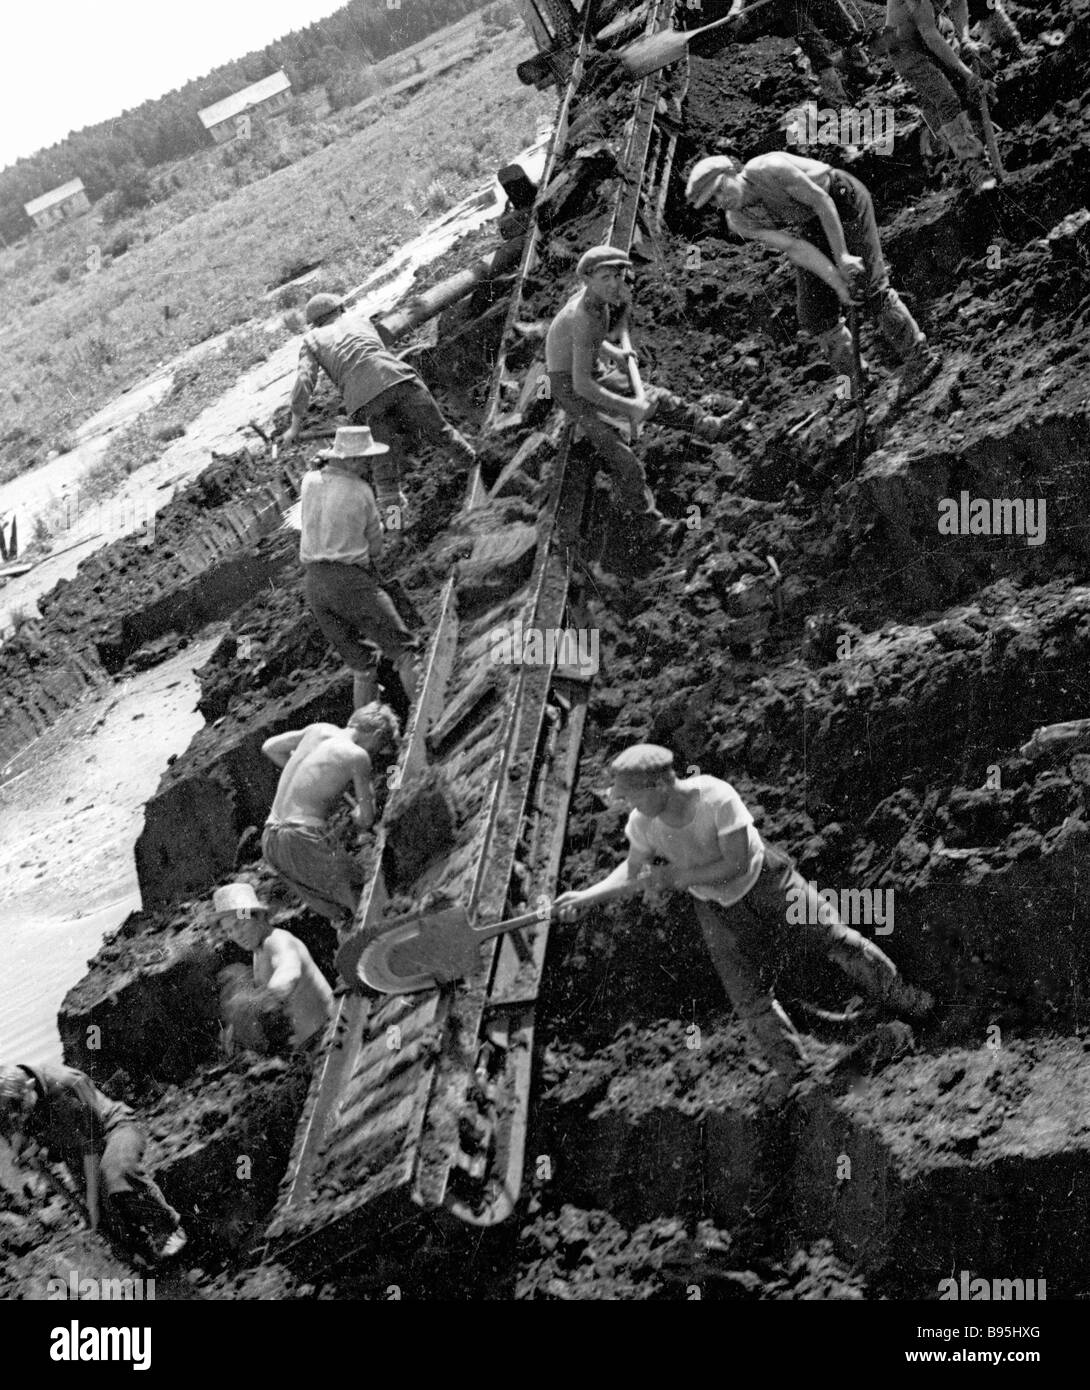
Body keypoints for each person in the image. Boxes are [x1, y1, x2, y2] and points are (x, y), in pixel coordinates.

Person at [554, 745, 932, 1094]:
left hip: (766, 881)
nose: (625, 803)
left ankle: (906, 1000)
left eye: (630, 793)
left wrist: (680, 878)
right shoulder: (642, 823)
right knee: (748, 995)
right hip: (717, 908)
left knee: (834, 938)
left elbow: (734, 862)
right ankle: (792, 1072)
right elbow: (632, 869)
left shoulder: (716, 798)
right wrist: (587, 897)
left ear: (659, 785)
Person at [685, 152, 938, 396]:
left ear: (731, 172)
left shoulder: (768, 169)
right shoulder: (739, 221)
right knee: (814, 316)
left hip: (841, 200)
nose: (721, 200)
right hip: (812, 224)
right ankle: (855, 382)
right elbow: (795, 247)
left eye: (720, 189)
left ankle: (920, 358)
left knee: (869, 289)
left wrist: (843, 257)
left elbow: (822, 201)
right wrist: (838, 283)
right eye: (713, 201)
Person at [544, 245, 742, 537]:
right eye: (605, 277)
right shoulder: (583, 315)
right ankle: (649, 524)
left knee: (657, 398)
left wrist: (616, 354)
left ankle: (711, 427)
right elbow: (582, 385)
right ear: (587, 280)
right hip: (569, 387)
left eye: (618, 275)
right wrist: (629, 409)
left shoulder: (600, 300)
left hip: (590, 367)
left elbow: (590, 342)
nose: (614, 283)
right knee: (622, 457)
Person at [283, 292, 476, 518]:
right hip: (399, 380)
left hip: (364, 405)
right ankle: (478, 468)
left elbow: (304, 381)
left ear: (314, 323)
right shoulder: (362, 321)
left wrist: (295, 427)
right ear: (341, 309)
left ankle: (395, 525)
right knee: (442, 433)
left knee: (384, 473)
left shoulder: (312, 340)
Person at [0, 1063, 186, 1262]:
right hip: (72, 1148)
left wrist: (92, 1203)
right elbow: (18, 1138)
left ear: (29, 1085)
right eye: (10, 1112)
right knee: (105, 1222)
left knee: (115, 1177)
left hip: (112, 1128)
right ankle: (147, 1259)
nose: (19, 1116)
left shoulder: (66, 1083)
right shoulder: (10, 1102)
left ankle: (167, 1228)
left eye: (20, 1108)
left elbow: (92, 1148)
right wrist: (24, 1149)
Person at [300, 425, 422, 710]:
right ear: (354, 460)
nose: (369, 464)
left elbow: (319, 470)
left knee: (362, 667)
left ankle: (364, 733)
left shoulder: (309, 481)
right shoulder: (361, 490)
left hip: (314, 585)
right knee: (404, 652)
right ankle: (428, 722)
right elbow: (376, 548)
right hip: (350, 582)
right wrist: (390, 524)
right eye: (365, 459)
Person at [261, 702, 400, 937]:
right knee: (364, 897)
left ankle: (358, 960)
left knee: (339, 912)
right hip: (300, 838)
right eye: (381, 745)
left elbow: (270, 747)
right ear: (376, 734)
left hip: (271, 839)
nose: (377, 752)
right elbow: (366, 819)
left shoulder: (318, 730)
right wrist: (357, 815)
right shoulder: (357, 756)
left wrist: (308, 773)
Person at [877, 0, 996, 187]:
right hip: (905, 48)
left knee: (976, 64)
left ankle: (973, 134)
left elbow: (959, 4)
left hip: (933, 25)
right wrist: (969, 75)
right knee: (946, 98)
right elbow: (930, 36)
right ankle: (973, 164)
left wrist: (965, 40)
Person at [212, 883, 334, 1054]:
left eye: (240, 924)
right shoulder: (258, 952)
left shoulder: (277, 941)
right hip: (312, 1045)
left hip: (331, 1032)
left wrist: (265, 999)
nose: (236, 935)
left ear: (260, 917)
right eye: (229, 930)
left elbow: (289, 969)